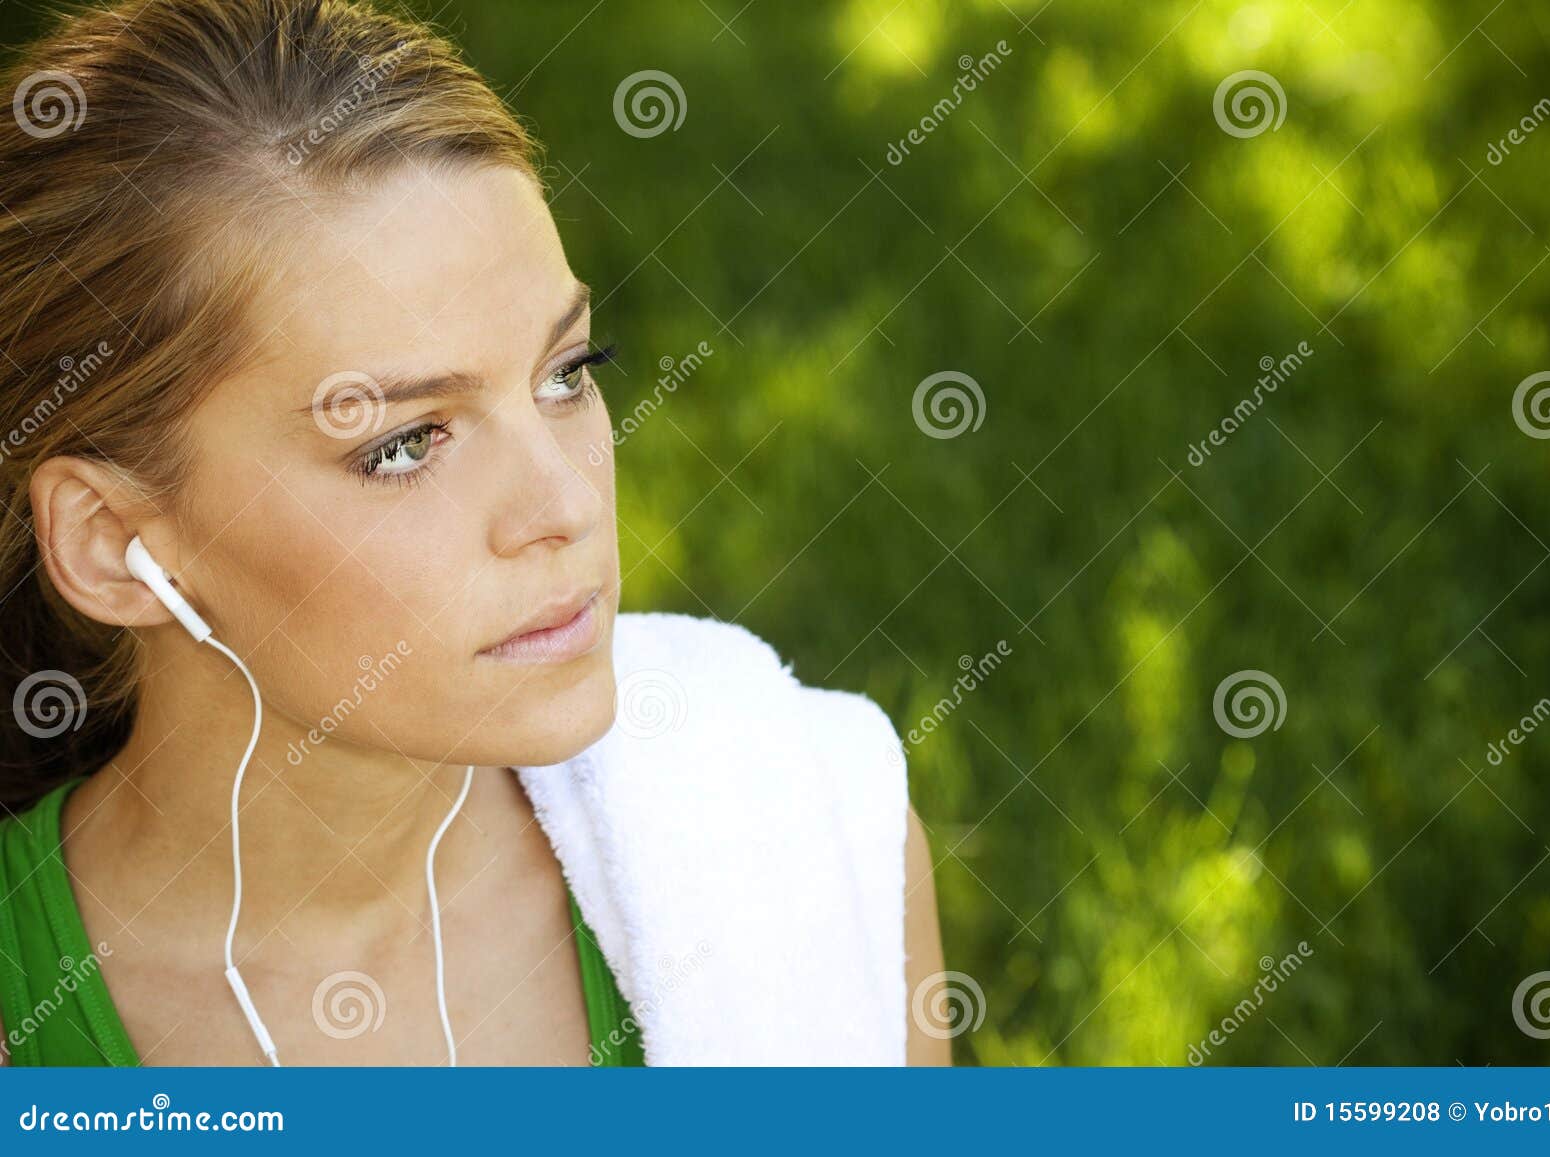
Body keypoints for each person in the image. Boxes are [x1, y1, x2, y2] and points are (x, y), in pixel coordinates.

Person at [0, 0, 946, 1066]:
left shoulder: (803, 832)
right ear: (112, 541)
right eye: (405, 443)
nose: (567, 505)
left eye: (566, 374)